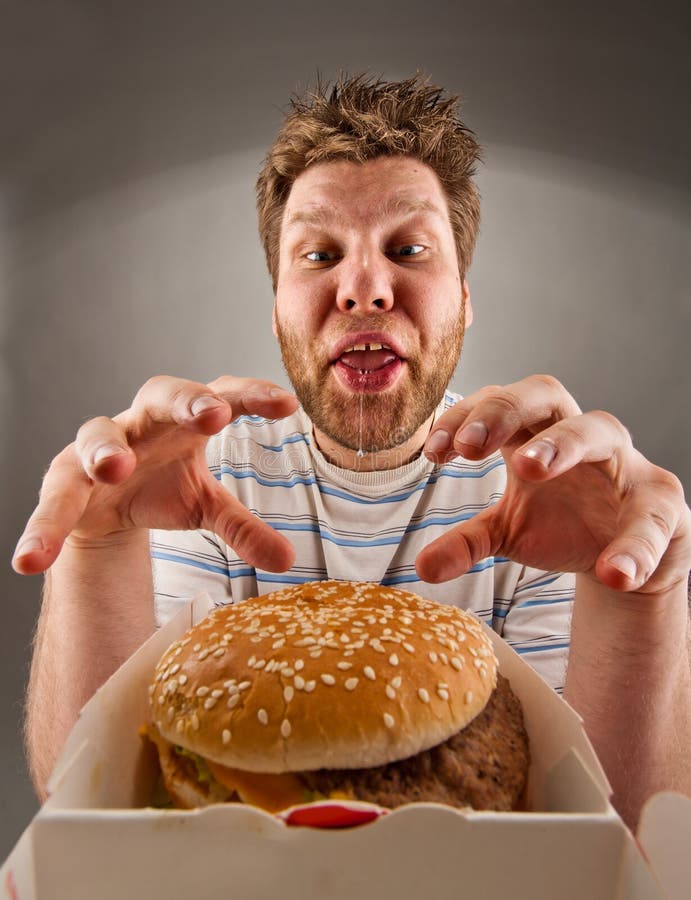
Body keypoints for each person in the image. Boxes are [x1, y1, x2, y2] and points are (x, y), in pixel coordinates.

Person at [12, 74, 691, 830]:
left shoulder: (543, 482)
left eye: (407, 248)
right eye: (318, 254)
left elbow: (606, 833)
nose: (364, 289)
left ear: (463, 296)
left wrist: (639, 600)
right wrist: (100, 544)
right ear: (275, 308)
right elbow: (93, 810)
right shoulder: (200, 478)